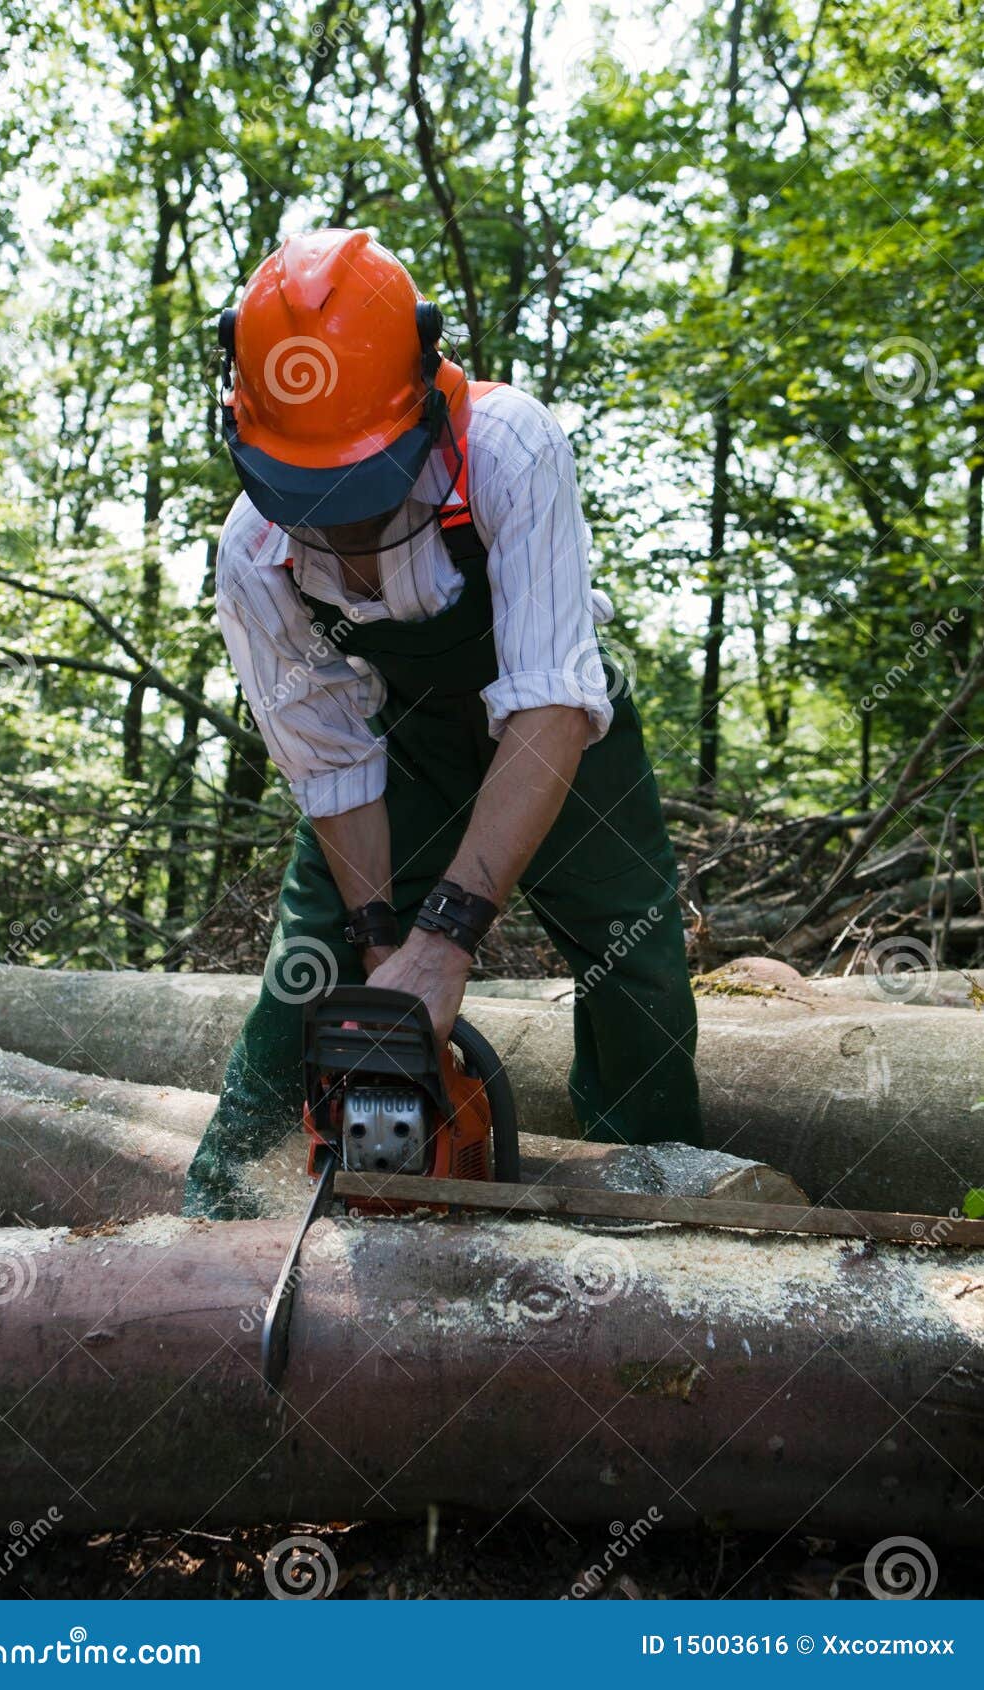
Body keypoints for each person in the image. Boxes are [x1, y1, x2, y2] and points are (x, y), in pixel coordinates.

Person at [183, 227, 700, 1219]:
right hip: (400, 746)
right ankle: (222, 1215)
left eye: (362, 492)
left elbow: (550, 701)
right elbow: (330, 762)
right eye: (308, 498)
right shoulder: (252, 555)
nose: (337, 529)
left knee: (632, 962)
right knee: (306, 973)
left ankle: (660, 1218)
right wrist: (384, 943)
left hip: (559, 734)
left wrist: (449, 936)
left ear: (422, 403)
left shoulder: (505, 447)